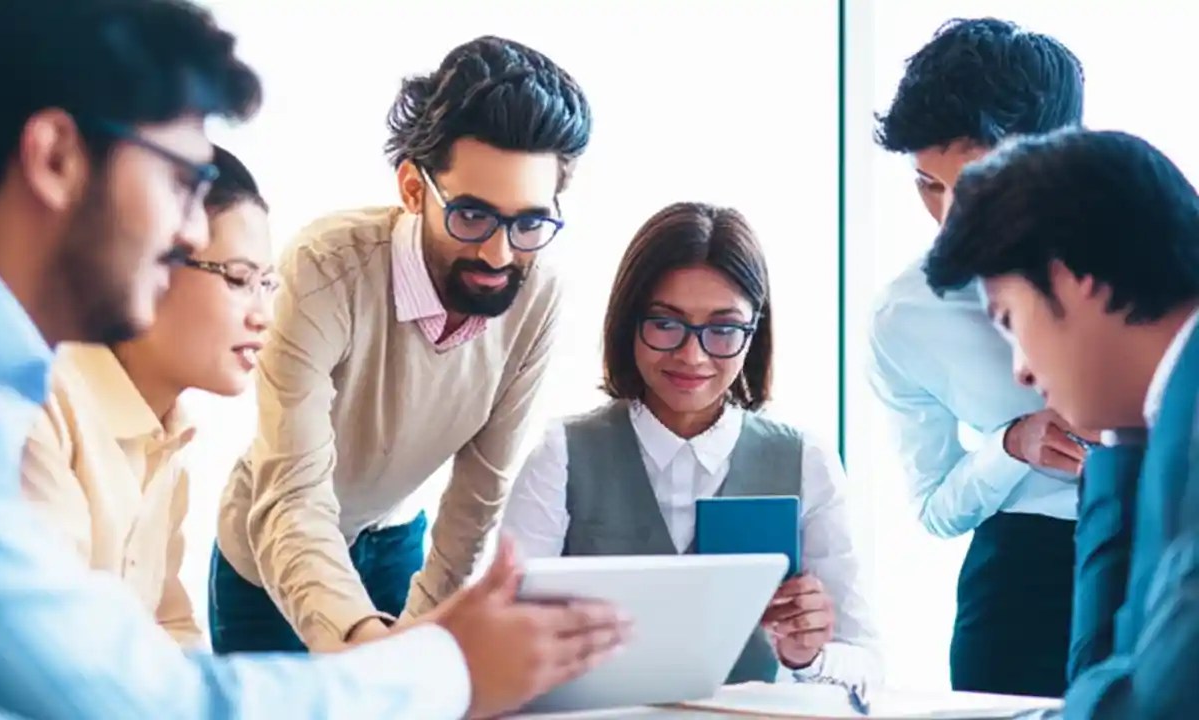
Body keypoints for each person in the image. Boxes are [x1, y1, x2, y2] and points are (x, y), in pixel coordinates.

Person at [0, 1, 624, 718]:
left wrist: (435, 652)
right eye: (182, 182)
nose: (194, 230)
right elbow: (125, 696)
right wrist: (448, 670)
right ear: (56, 159)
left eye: (529, 223)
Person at [209, 35, 591, 653]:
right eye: (472, 215)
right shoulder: (324, 269)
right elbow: (294, 497)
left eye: (528, 223)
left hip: (395, 549)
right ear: (414, 190)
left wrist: (421, 639)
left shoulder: (537, 295)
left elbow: (478, 494)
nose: (499, 253)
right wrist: (357, 638)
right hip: (270, 555)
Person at [503, 202, 882, 690]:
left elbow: (868, 663)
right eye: (665, 323)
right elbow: (501, 639)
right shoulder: (564, 453)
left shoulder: (805, 460)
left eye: (723, 329)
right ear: (628, 322)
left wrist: (807, 658)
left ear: (754, 334)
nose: (692, 354)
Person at [923, 126, 1199, 719]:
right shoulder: (1169, 420)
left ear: (1073, 275)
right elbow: (1110, 679)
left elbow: (1153, 708)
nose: (1021, 371)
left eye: (1009, 320)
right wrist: (1119, 444)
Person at [867, 17, 1089, 696]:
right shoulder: (907, 315)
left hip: (1171, 560)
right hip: (1022, 583)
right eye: (927, 185)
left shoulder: (1168, 263)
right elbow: (934, 506)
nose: (949, 218)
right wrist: (1010, 447)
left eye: (974, 186)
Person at [19, 146, 275, 646]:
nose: (263, 314)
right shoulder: (43, 404)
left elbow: (170, 628)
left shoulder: (168, 444)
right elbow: (57, 650)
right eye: (240, 279)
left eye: (269, 284)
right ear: (153, 258)